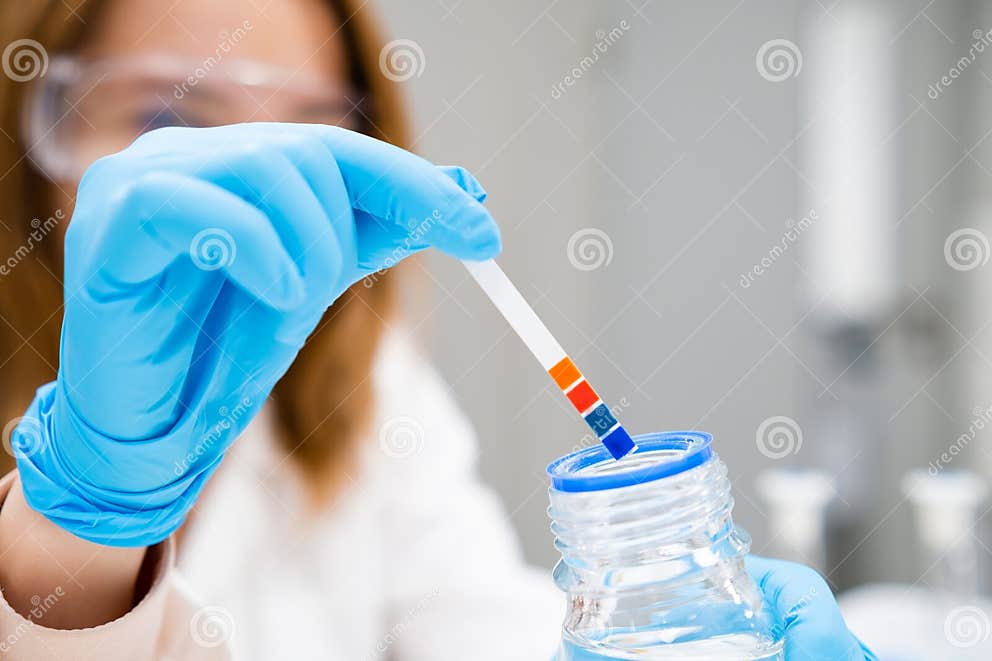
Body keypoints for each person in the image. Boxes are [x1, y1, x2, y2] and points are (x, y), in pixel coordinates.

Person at [0, 0, 875, 659]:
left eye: (301, 135)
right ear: (27, 131)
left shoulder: (366, 388)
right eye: (168, 119)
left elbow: (485, 631)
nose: (248, 190)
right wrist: (76, 524)